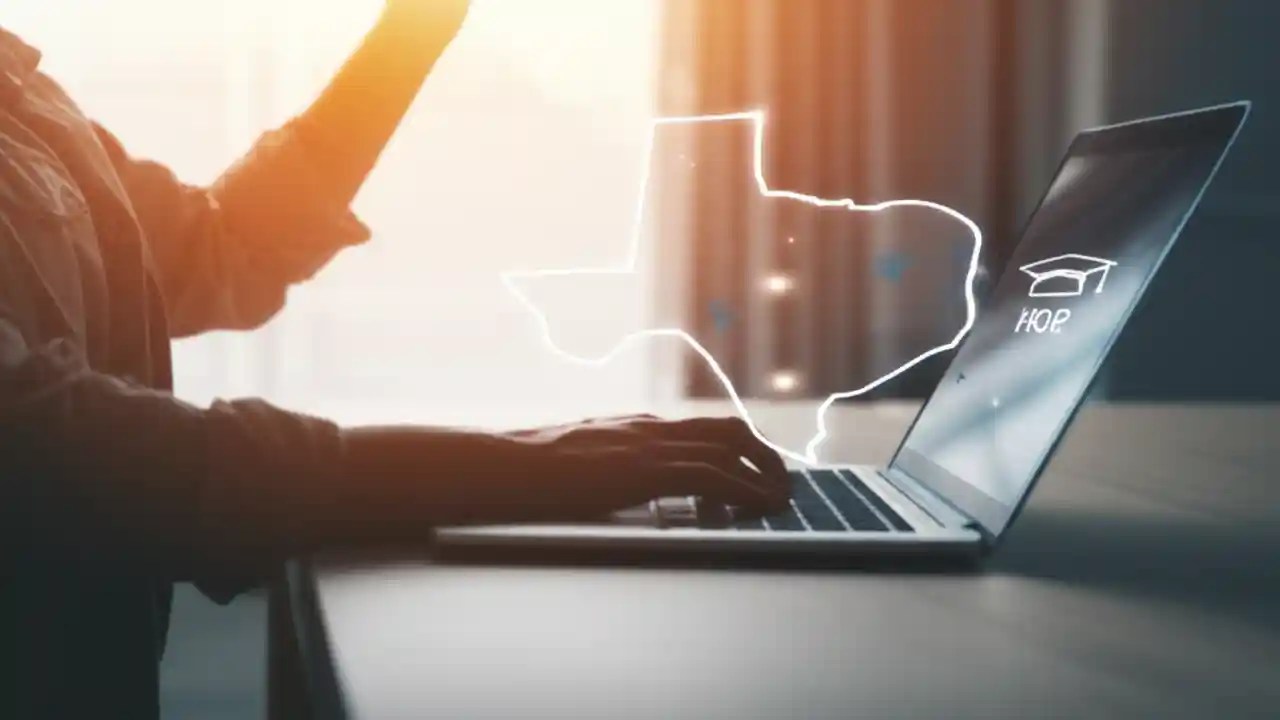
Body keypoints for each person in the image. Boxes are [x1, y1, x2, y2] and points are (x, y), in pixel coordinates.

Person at [0, 1, 789, 716]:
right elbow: (64, 454)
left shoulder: (24, 94)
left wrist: (418, 25)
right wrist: (521, 466)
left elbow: (223, 247)